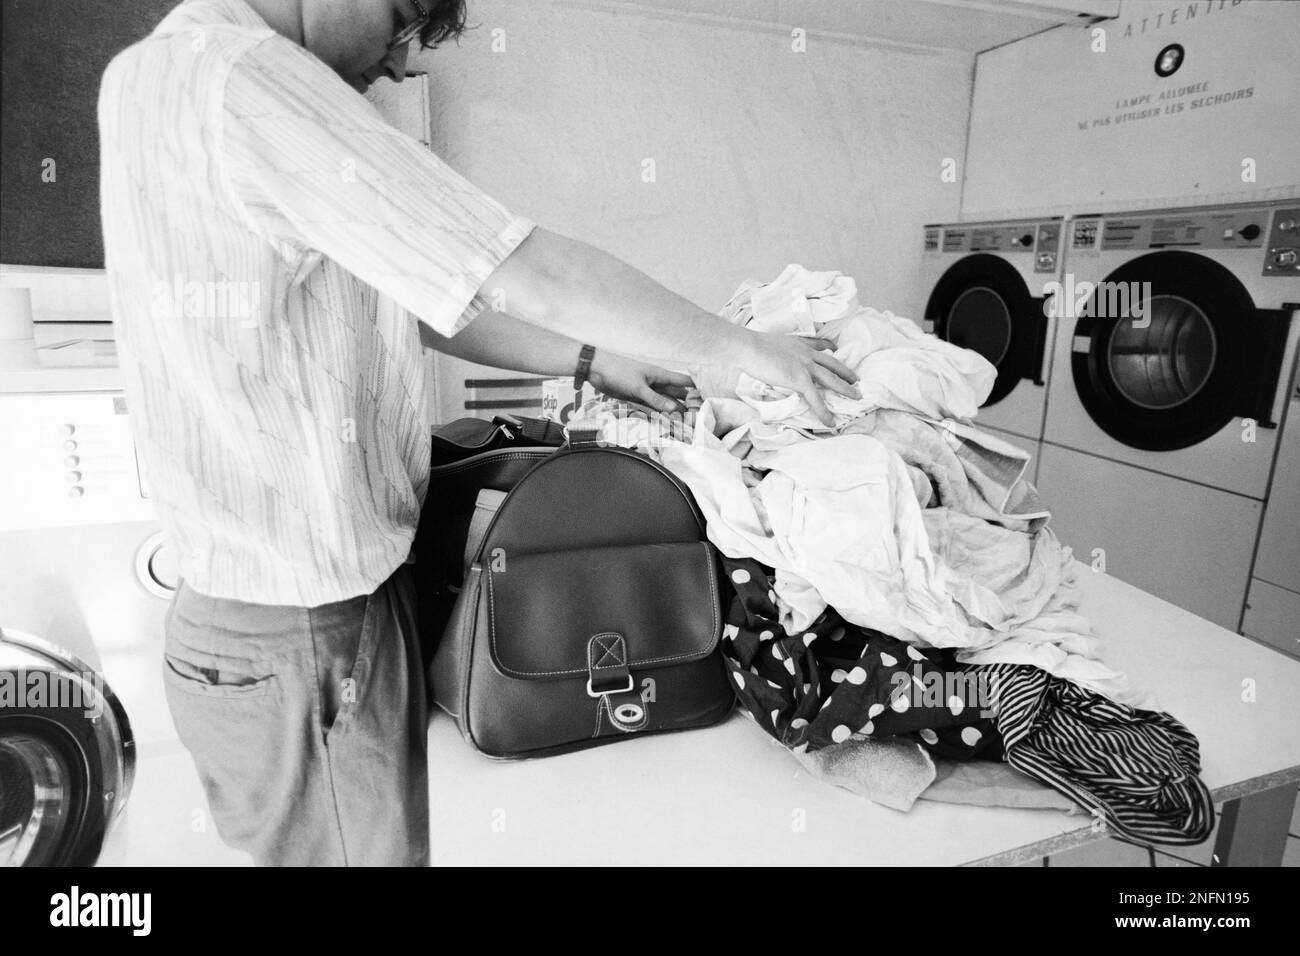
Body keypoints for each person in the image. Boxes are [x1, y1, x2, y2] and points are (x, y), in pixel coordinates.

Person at [98, 0, 860, 866]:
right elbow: (520, 267)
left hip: (264, 622)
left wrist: (588, 360)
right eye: (401, 20)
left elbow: (427, 299)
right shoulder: (247, 80)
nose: (396, 63)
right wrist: (748, 350)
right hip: (302, 631)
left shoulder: (153, 77)